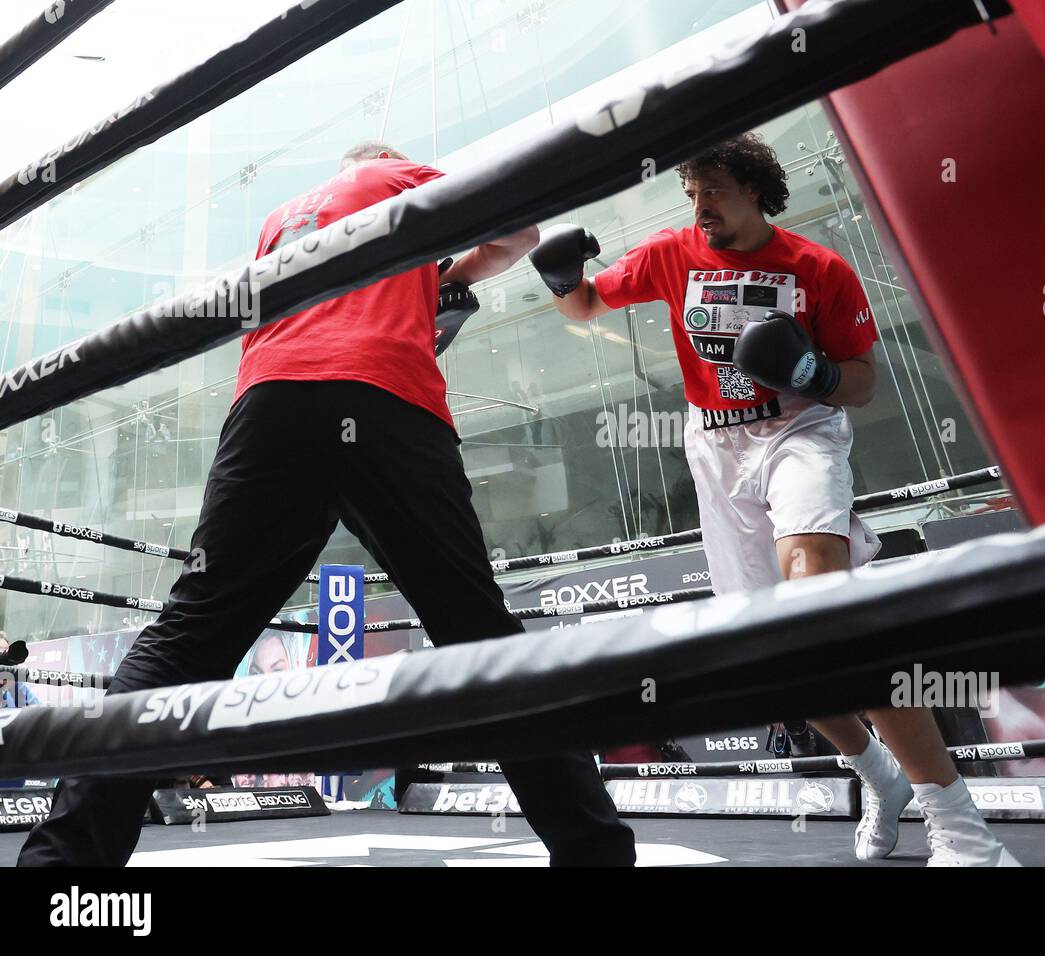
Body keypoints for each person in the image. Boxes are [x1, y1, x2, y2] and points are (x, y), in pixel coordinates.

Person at [18, 142, 635, 867]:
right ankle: (594, 853)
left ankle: (61, 864)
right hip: (383, 395)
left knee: (192, 631)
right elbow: (517, 234)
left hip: (270, 404)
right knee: (480, 633)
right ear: (385, 159)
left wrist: (425, 281)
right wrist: (451, 270)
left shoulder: (282, 218)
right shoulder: (396, 176)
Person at [531, 132, 1016, 866]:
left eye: (714, 193)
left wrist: (813, 373)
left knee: (827, 617)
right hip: (715, 448)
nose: (701, 209)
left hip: (802, 433)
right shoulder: (670, 254)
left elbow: (862, 383)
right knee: (778, 657)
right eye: (691, 195)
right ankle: (880, 778)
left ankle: (963, 831)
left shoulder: (818, 268)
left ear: (755, 188)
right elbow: (586, 307)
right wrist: (563, 277)